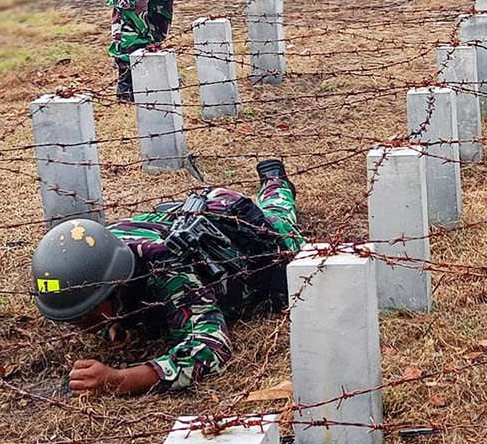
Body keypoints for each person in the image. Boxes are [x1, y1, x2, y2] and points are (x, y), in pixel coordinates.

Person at [30, 159, 302, 397]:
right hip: (187, 215)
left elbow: (211, 348)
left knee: (281, 222)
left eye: (88, 316)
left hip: (236, 225)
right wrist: (116, 320)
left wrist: (120, 380)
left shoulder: (166, 267)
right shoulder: (99, 249)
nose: (83, 327)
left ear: (117, 286)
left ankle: (275, 181)